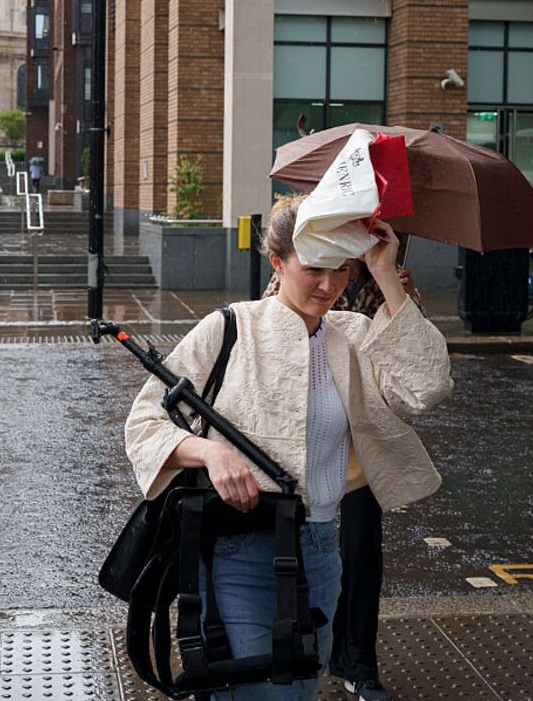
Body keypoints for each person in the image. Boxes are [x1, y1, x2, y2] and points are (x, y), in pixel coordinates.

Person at [123, 194, 451, 701]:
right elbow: (145, 422)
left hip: (321, 549)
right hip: (240, 550)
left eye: (341, 269)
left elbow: (426, 386)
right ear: (277, 262)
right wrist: (209, 453)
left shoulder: (355, 335)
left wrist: (384, 272)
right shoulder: (231, 328)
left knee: (300, 687)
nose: (329, 285)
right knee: (261, 693)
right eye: (314, 269)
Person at [263, 248, 422, 701]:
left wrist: (400, 297)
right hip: (302, 449)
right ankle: (296, 654)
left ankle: (359, 663)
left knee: (361, 553)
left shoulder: (383, 277)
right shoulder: (302, 271)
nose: (330, 279)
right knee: (294, 559)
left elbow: (414, 375)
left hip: (357, 450)